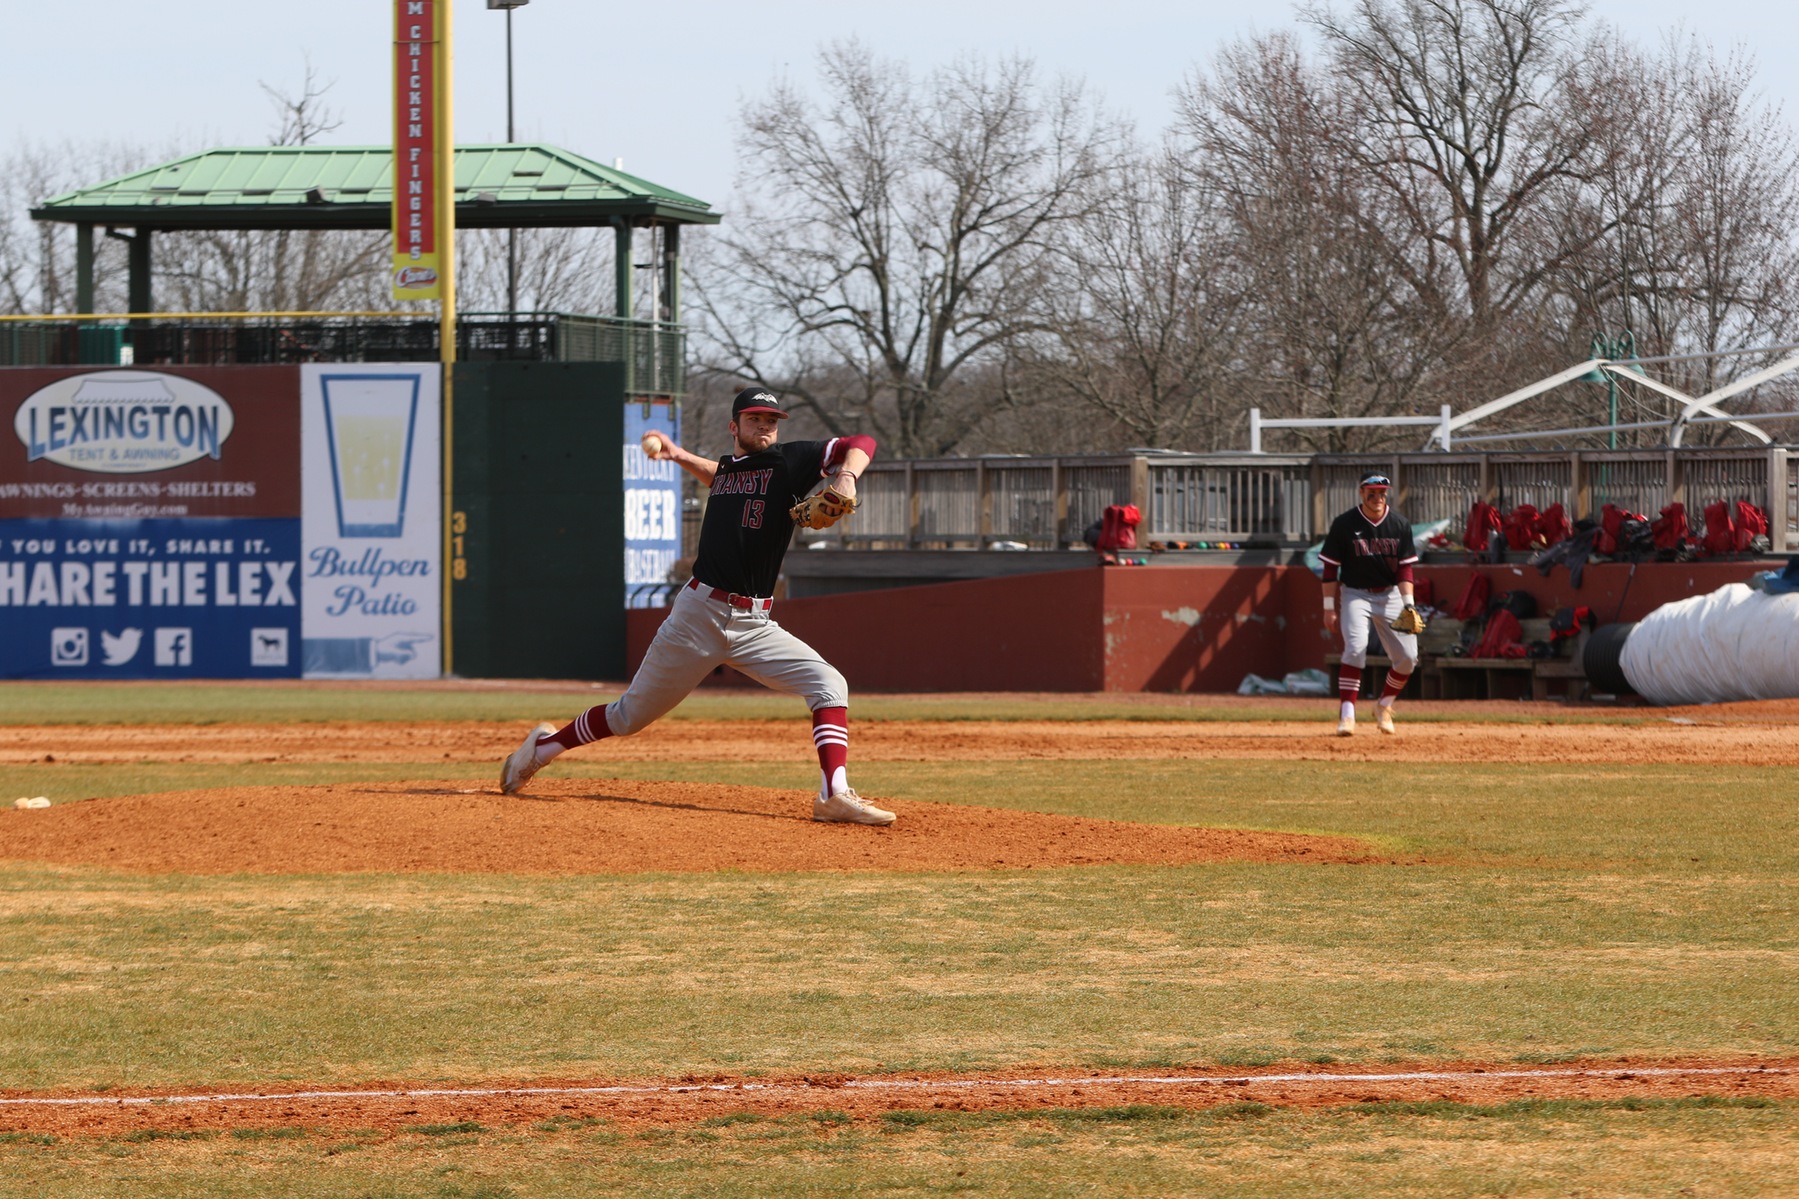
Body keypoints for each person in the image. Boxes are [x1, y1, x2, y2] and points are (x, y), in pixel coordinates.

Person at [500, 387, 895, 825]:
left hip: (755, 623)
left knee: (829, 685)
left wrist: (846, 477)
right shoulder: (729, 469)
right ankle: (542, 749)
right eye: (754, 419)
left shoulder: (788, 462)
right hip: (697, 617)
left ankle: (833, 793)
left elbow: (861, 442)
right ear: (734, 426)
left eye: (771, 420)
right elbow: (720, 476)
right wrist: (678, 456)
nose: (765, 426)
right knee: (628, 717)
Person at [1318, 474, 1421, 736]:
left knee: (1408, 659)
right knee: (1355, 648)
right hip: (1356, 593)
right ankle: (1347, 714)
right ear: (1361, 493)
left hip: (1390, 594)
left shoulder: (1399, 524)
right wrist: (1329, 608)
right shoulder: (1344, 524)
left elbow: (1405, 569)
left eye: (1382, 492)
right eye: (1372, 492)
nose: (1378, 497)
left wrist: (1409, 605)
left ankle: (1383, 706)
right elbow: (1330, 569)